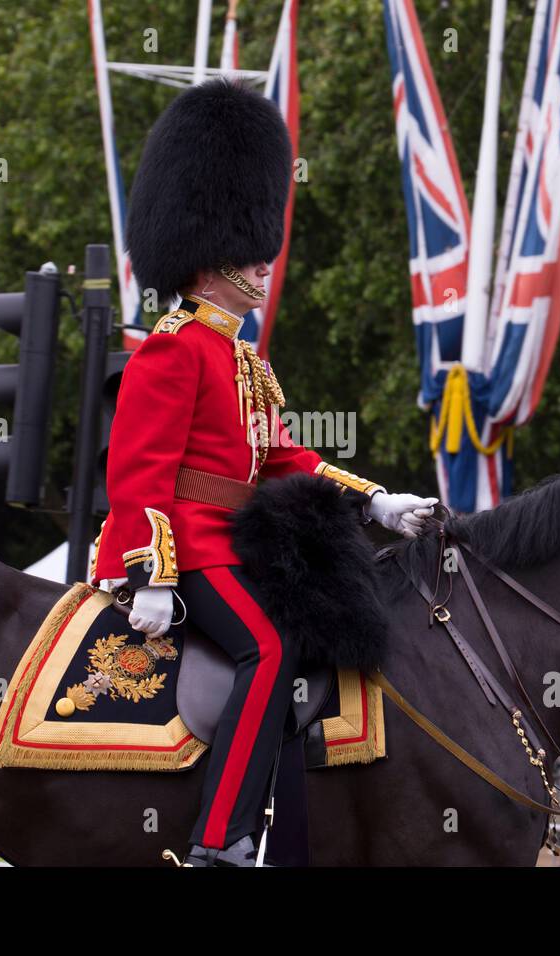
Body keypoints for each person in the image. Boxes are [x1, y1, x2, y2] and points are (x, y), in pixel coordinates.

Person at [89, 79, 436, 867]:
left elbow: (283, 457)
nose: (264, 265)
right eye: (252, 255)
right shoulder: (172, 347)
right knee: (268, 649)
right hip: (186, 545)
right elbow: (137, 470)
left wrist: (376, 502)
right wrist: (150, 569)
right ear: (213, 263)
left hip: (235, 542)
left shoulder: (242, 358)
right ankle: (220, 841)